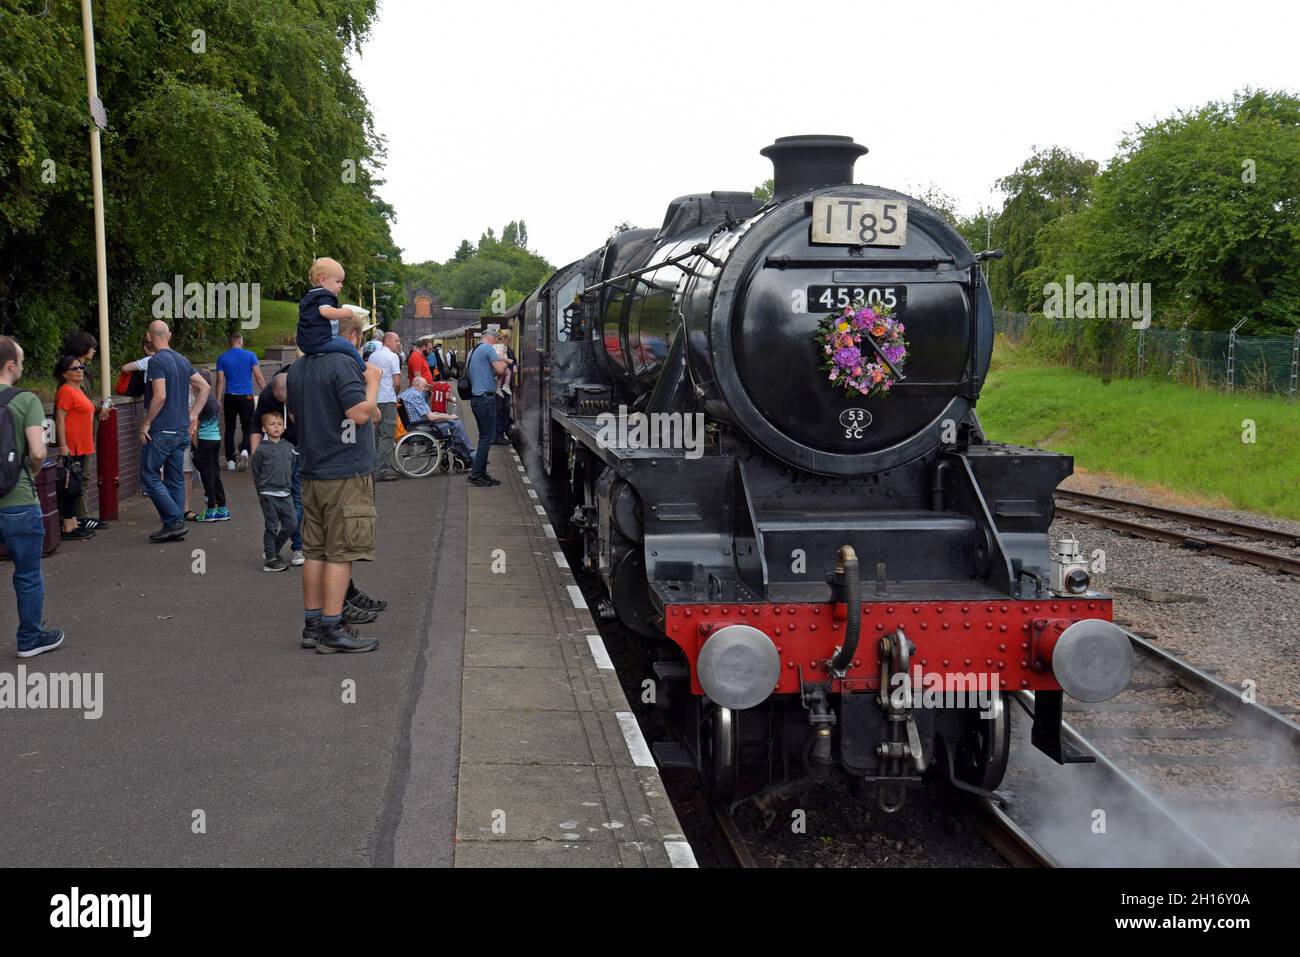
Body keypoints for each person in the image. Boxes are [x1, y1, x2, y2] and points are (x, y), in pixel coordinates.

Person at [286, 311, 381, 653]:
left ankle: (313, 626)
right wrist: (372, 382)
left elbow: (296, 416)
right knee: (341, 553)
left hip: (312, 472)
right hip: (345, 472)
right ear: (352, 336)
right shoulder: (343, 365)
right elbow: (361, 414)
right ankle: (332, 627)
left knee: (314, 551)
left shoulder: (298, 368)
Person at [0, 336, 64, 657]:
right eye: (21, 361)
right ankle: (29, 639)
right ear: (11, 365)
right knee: (26, 573)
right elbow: (38, 452)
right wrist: (29, 474)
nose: (23, 366)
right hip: (18, 501)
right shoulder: (26, 401)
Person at [138, 320, 209, 542]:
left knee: (148, 475)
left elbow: (160, 395)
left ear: (150, 336)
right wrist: (194, 414)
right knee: (175, 478)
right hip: (181, 430)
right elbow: (205, 387)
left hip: (162, 430)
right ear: (168, 335)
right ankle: (175, 524)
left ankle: (173, 521)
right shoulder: (182, 360)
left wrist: (147, 422)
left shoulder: (157, 361)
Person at [251, 367, 303, 565]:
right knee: (280, 512)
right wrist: (257, 454)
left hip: (299, 449)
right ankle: (278, 549)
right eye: (279, 399)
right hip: (280, 455)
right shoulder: (267, 396)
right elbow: (256, 423)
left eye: (287, 400)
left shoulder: (303, 389)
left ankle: (297, 547)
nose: (284, 404)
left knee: (297, 500)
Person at [61, 330, 110, 530]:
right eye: (92, 346)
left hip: (86, 428)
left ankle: (79, 517)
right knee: (79, 475)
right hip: (79, 432)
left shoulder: (82, 370)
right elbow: (74, 400)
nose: (95, 350)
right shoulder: (73, 371)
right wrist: (100, 408)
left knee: (83, 474)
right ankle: (79, 517)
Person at [53, 355, 97, 542]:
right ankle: (68, 526)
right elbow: (60, 418)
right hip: (72, 446)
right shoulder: (65, 391)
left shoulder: (78, 390)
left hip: (83, 445)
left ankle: (73, 523)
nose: (79, 370)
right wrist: (63, 445)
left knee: (75, 485)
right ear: (65, 374)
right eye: (74, 369)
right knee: (70, 486)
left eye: (80, 368)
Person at [297, 257, 365, 371]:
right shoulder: (326, 295)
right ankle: (363, 369)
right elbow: (325, 312)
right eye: (338, 281)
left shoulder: (308, 297)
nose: (341, 285)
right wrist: (345, 313)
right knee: (348, 346)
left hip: (304, 343)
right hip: (321, 341)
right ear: (323, 280)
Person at [250, 410, 298, 572]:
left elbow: (293, 467)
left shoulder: (289, 447)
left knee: (291, 524)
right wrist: (261, 490)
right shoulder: (261, 450)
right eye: (272, 424)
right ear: (264, 429)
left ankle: (272, 550)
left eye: (279, 424)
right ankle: (270, 559)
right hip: (268, 493)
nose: (276, 427)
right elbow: (256, 471)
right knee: (271, 526)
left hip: (286, 493)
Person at [215, 331, 266, 472]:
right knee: (248, 426)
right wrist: (267, 392)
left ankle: (231, 461)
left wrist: (217, 400)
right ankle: (244, 450)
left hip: (230, 396)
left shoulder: (222, 358)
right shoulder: (250, 356)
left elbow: (220, 381)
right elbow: (258, 376)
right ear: (240, 340)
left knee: (230, 428)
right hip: (246, 397)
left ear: (230, 341)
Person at [466, 327, 508, 488]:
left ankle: (482, 474)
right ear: (492, 338)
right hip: (485, 399)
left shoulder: (474, 351)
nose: (497, 342)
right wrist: (503, 359)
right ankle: (475, 475)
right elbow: (500, 370)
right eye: (497, 339)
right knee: (487, 438)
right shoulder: (488, 349)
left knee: (484, 436)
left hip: (476, 398)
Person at [399, 376, 473, 466]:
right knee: (456, 424)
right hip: (420, 425)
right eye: (425, 386)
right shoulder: (416, 395)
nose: (426, 389)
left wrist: (445, 415)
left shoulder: (405, 394)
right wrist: (449, 417)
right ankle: (470, 455)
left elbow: (427, 413)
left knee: (449, 421)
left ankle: (465, 455)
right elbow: (431, 417)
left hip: (415, 423)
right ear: (417, 385)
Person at [192, 369, 228, 522]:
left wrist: (194, 446)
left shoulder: (201, 401)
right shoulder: (213, 401)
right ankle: (222, 508)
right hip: (216, 439)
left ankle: (210, 509)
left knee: (207, 474)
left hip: (204, 441)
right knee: (215, 473)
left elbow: (195, 426)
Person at [368, 330, 402, 483]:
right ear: (387, 341)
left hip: (374, 398)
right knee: (387, 435)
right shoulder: (393, 357)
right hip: (387, 399)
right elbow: (397, 382)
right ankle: (381, 470)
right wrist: (395, 395)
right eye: (396, 340)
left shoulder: (373, 356)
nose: (398, 343)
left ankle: (372, 466)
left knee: (375, 435)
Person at [494, 329, 517, 445]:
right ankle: (497, 435)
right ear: (501, 338)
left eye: (509, 339)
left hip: (507, 386)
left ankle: (501, 433)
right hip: (498, 385)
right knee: (498, 410)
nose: (508, 341)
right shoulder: (496, 350)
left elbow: (514, 365)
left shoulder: (511, 351)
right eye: (506, 338)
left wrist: (514, 373)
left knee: (505, 410)